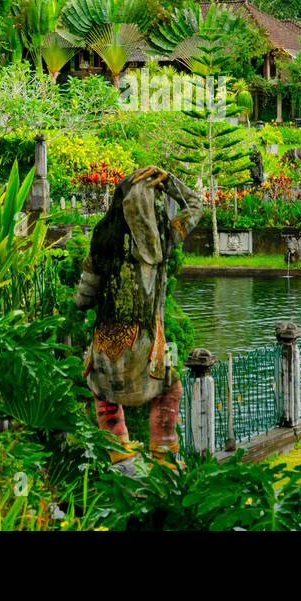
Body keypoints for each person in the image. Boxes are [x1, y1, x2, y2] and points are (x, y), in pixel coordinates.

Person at [75, 166, 203, 468]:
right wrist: (170, 181)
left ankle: (115, 443)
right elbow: (196, 204)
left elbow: (84, 297)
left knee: (101, 390)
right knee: (170, 386)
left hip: (104, 346)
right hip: (143, 345)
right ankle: (164, 451)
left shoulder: (102, 238)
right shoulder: (163, 239)